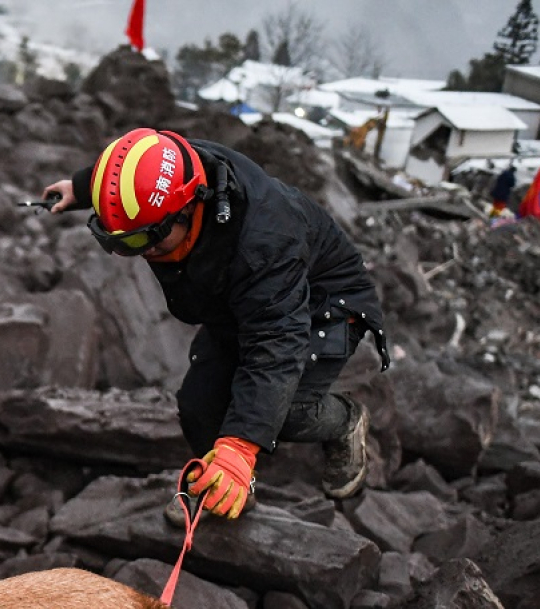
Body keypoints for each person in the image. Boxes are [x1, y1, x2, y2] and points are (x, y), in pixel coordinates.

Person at [42, 128, 389, 521]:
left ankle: (345, 420)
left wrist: (240, 448)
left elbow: (276, 342)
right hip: (243, 300)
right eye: (116, 241)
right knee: (199, 407)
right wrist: (81, 187)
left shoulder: (263, 242)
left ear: (188, 207)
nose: (132, 254)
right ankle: (226, 488)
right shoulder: (181, 166)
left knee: (284, 410)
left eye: (140, 241)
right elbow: (130, 172)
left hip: (325, 298)